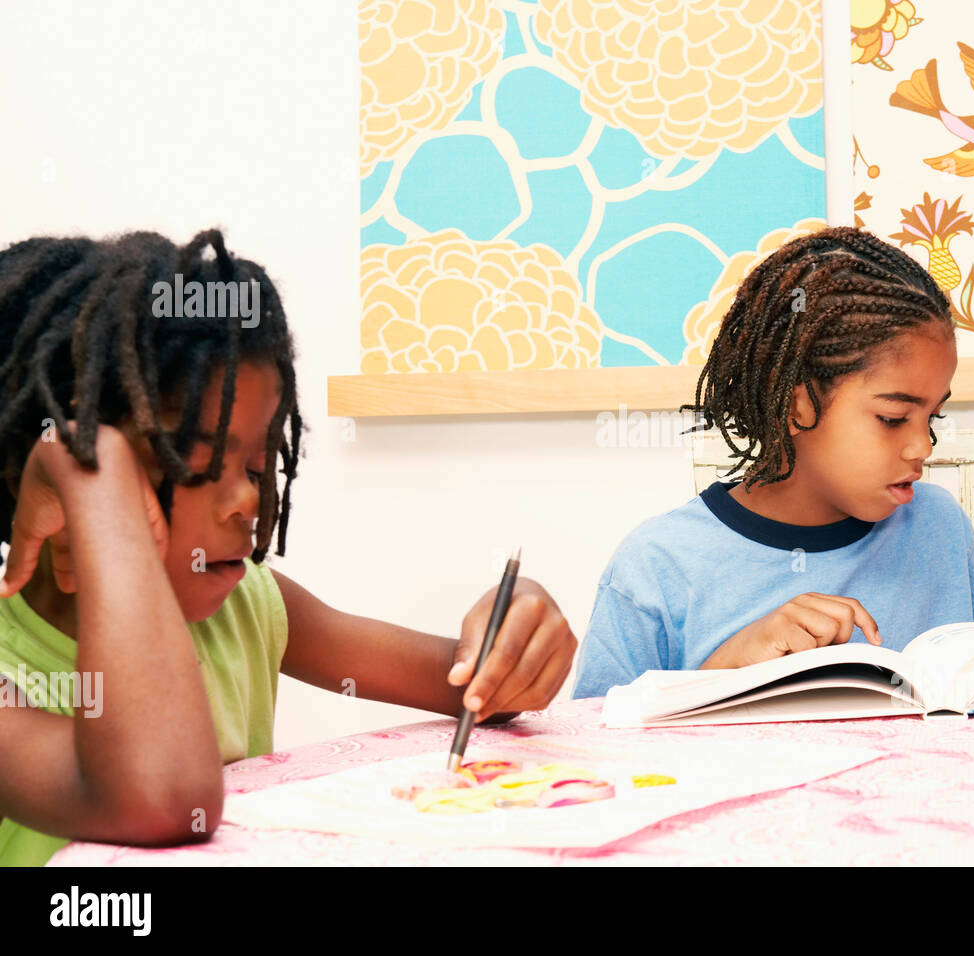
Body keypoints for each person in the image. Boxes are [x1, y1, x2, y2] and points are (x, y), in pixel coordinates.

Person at [0, 229, 576, 865]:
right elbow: (158, 799)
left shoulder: (249, 606)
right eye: (197, 464)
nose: (246, 501)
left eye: (256, 465)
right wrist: (95, 472)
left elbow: (474, 687)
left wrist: (513, 635)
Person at [573, 227, 974, 698]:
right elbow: (598, 758)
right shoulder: (657, 566)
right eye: (895, 418)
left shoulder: (937, 527)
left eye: (933, 418)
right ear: (798, 404)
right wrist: (724, 672)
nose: (923, 446)